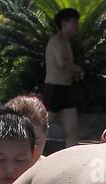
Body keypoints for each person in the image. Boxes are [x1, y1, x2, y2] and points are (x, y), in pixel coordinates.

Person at [44, 7, 82, 151]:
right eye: (74, 22)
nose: (77, 25)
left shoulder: (66, 42)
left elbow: (67, 66)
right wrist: (79, 69)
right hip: (54, 88)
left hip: (66, 89)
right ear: (64, 23)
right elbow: (62, 63)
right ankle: (30, 155)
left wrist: (75, 74)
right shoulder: (57, 40)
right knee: (42, 126)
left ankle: (71, 160)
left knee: (72, 129)